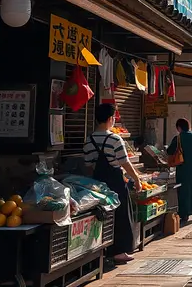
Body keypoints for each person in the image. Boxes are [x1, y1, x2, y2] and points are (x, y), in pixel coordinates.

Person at [83, 104, 141, 264]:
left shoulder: (89, 140)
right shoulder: (115, 139)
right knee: (121, 213)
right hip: (115, 181)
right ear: (110, 119)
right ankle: (119, 251)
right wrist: (136, 178)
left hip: (98, 182)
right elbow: (125, 162)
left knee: (102, 214)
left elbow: (88, 164)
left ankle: (103, 248)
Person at [167, 118, 192, 224]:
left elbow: (169, 151)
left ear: (179, 128)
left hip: (183, 169)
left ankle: (184, 215)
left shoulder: (178, 138)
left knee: (184, 191)